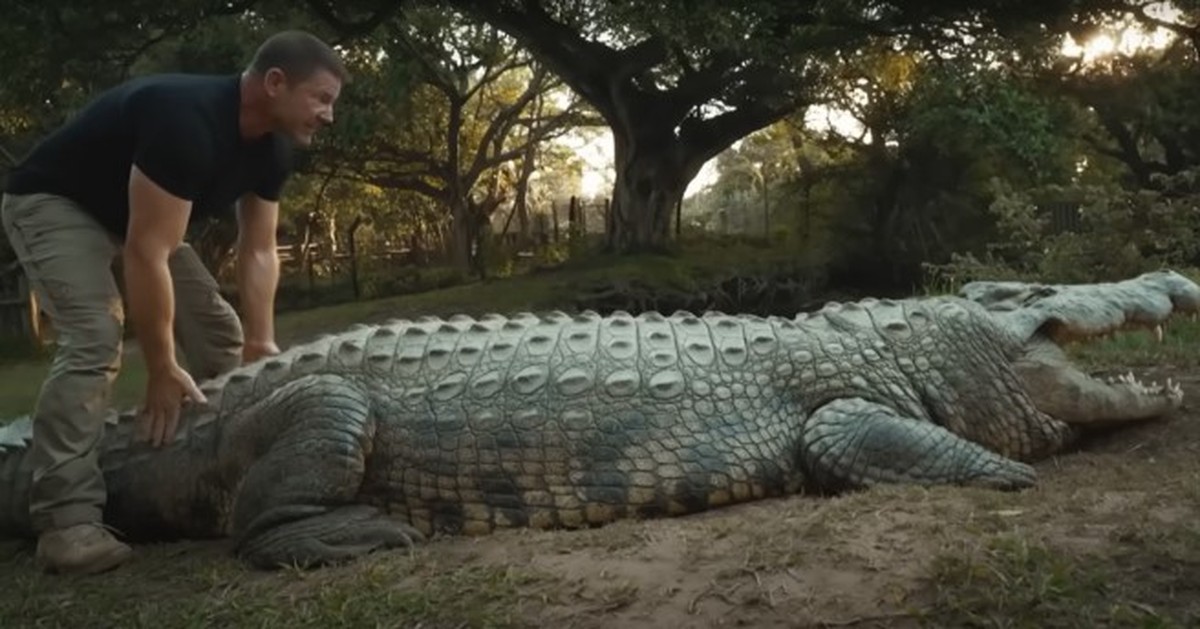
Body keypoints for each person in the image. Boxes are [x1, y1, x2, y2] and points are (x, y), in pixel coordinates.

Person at [0, 30, 347, 575]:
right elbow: (147, 252)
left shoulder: (275, 149)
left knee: (221, 335)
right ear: (276, 83)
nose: (329, 116)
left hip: (134, 217)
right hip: (56, 201)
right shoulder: (188, 122)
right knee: (95, 336)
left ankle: (230, 472)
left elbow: (258, 249)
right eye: (321, 99)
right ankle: (66, 522)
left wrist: (261, 339)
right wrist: (162, 367)